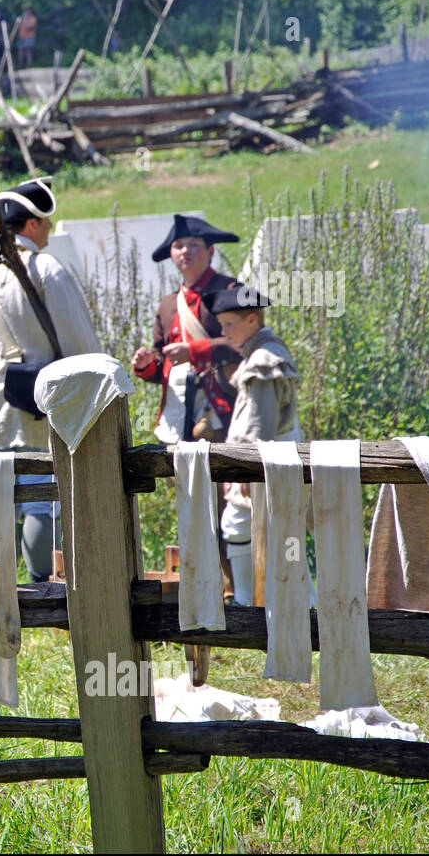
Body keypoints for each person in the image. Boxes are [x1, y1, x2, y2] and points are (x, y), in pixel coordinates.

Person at [0, 177, 102, 583]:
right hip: (38, 407)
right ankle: (42, 584)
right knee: (40, 501)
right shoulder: (46, 269)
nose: (50, 229)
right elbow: (81, 345)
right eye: (45, 222)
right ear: (32, 224)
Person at [206, 285, 303, 606]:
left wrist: (246, 470)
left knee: (240, 526)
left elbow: (260, 424)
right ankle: (265, 602)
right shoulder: (263, 352)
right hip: (268, 462)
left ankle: (250, 603)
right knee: (263, 532)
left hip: (263, 464)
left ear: (251, 320)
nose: (224, 332)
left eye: (230, 324)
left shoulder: (263, 359)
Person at [131, 214, 243, 445]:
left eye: (194, 245)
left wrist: (193, 352)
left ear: (211, 252)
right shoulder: (168, 304)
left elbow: (243, 344)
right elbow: (163, 363)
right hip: (178, 409)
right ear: (171, 255)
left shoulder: (230, 289)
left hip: (222, 406)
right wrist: (147, 365)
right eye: (178, 246)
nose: (185, 251)